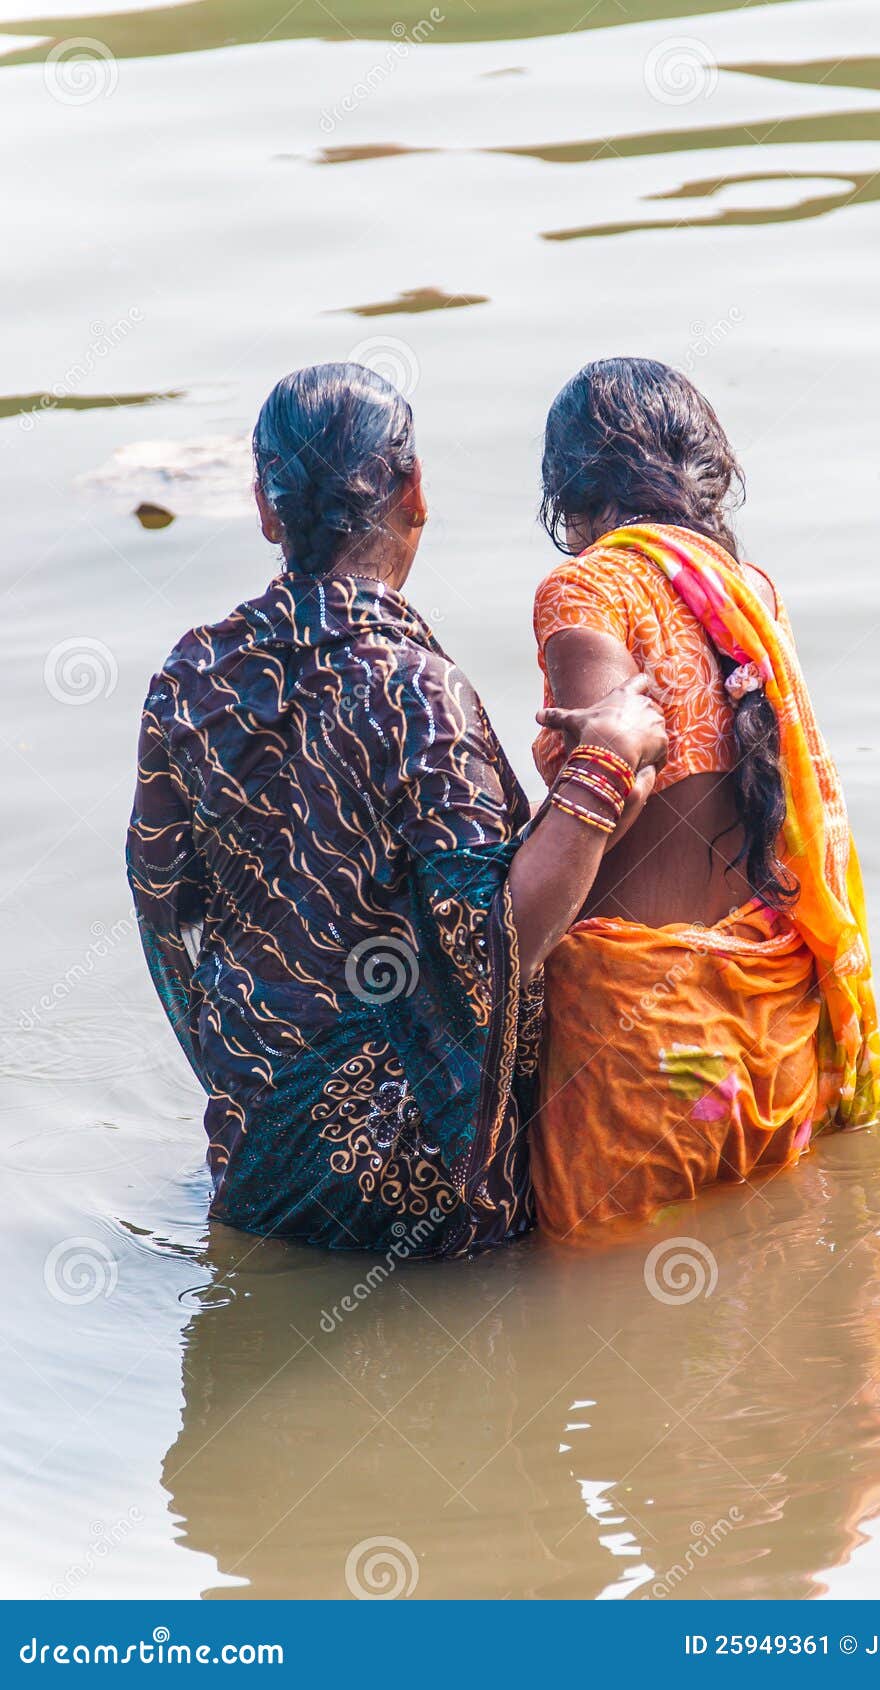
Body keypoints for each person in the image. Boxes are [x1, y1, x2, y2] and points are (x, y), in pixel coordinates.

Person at [126, 363, 664, 1258]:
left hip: (254, 1176)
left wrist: (266, 1080)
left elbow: (166, 910)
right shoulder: (416, 692)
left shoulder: (187, 680)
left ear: (266, 509)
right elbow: (492, 947)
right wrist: (604, 765)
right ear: (413, 489)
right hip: (417, 1211)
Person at [529, 356, 880, 1238]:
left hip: (642, 1053)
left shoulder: (586, 586)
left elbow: (610, 798)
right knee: (768, 1321)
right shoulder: (750, 595)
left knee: (606, 1342)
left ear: (568, 490)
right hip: (771, 1039)